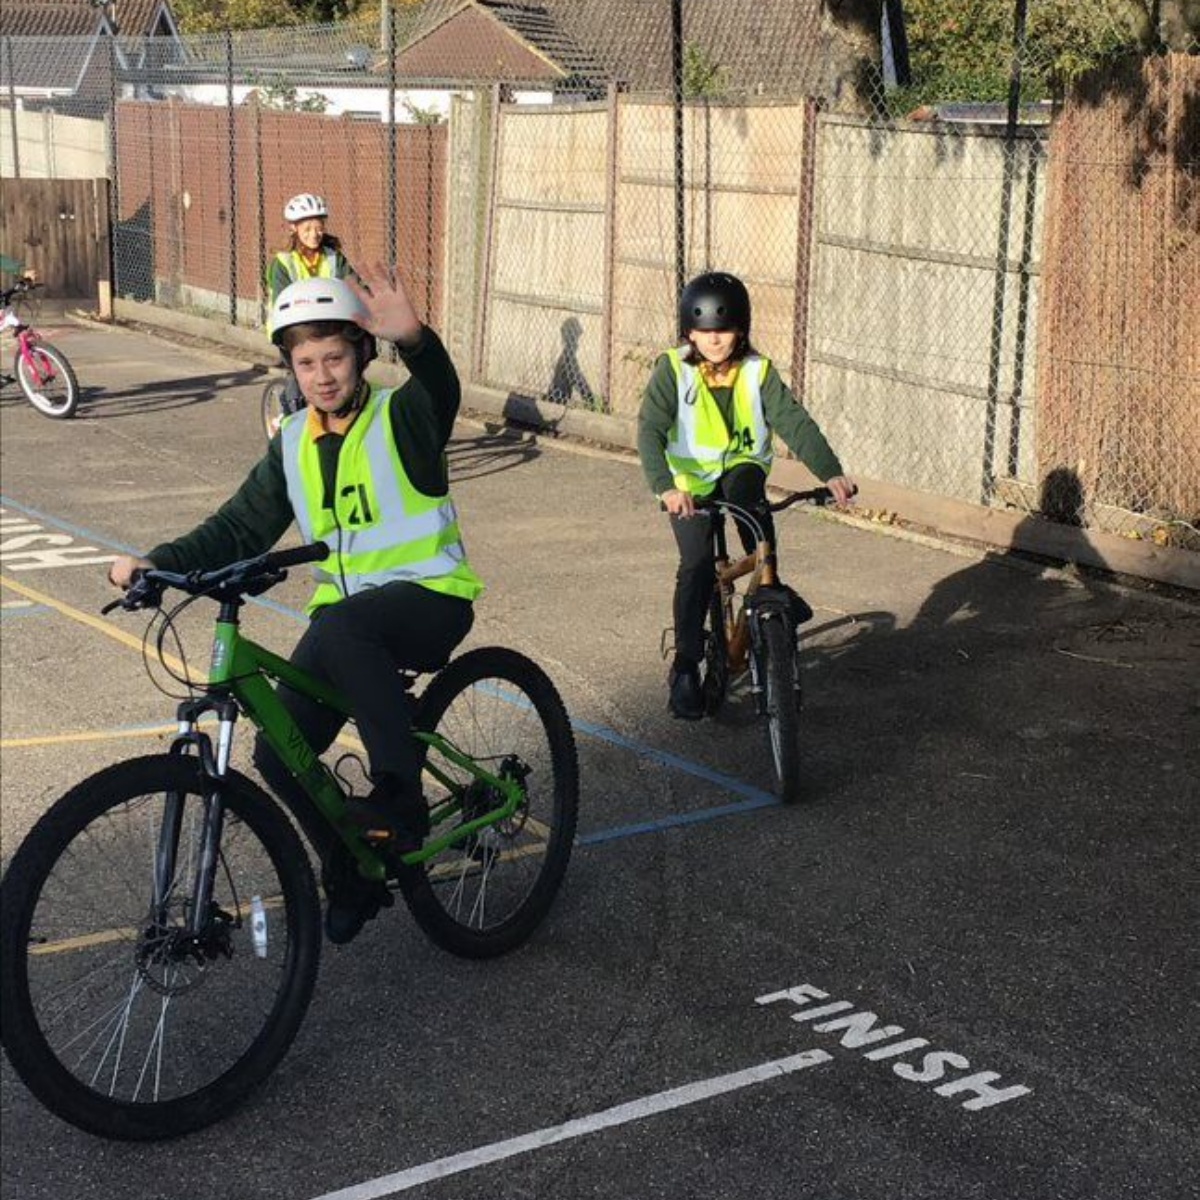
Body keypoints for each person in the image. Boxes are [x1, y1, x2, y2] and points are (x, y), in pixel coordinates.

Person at [108, 268, 483, 944]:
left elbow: (441, 393)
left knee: (342, 625)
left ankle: (400, 796)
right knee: (281, 755)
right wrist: (157, 562)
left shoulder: (401, 418)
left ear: (362, 355)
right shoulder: (290, 444)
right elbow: (237, 526)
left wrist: (418, 343)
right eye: (305, 362)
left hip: (430, 598)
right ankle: (355, 866)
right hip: (346, 622)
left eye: (335, 357)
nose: (322, 375)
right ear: (290, 367)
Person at [637, 271, 856, 721]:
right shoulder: (672, 370)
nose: (714, 340)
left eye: (724, 330)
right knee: (696, 565)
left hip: (740, 470)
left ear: (741, 330)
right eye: (704, 331)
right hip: (689, 485)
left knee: (755, 520)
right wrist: (665, 487)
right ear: (689, 331)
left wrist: (831, 472)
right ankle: (684, 667)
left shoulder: (758, 371)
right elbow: (649, 432)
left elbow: (794, 422)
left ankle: (771, 590)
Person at [264, 193, 359, 419]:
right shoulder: (284, 262)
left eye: (318, 228)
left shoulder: (334, 257)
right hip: (292, 327)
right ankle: (291, 417)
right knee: (302, 374)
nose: (314, 234)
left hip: (329, 328)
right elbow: (282, 299)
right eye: (307, 229)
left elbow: (352, 284)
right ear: (293, 229)